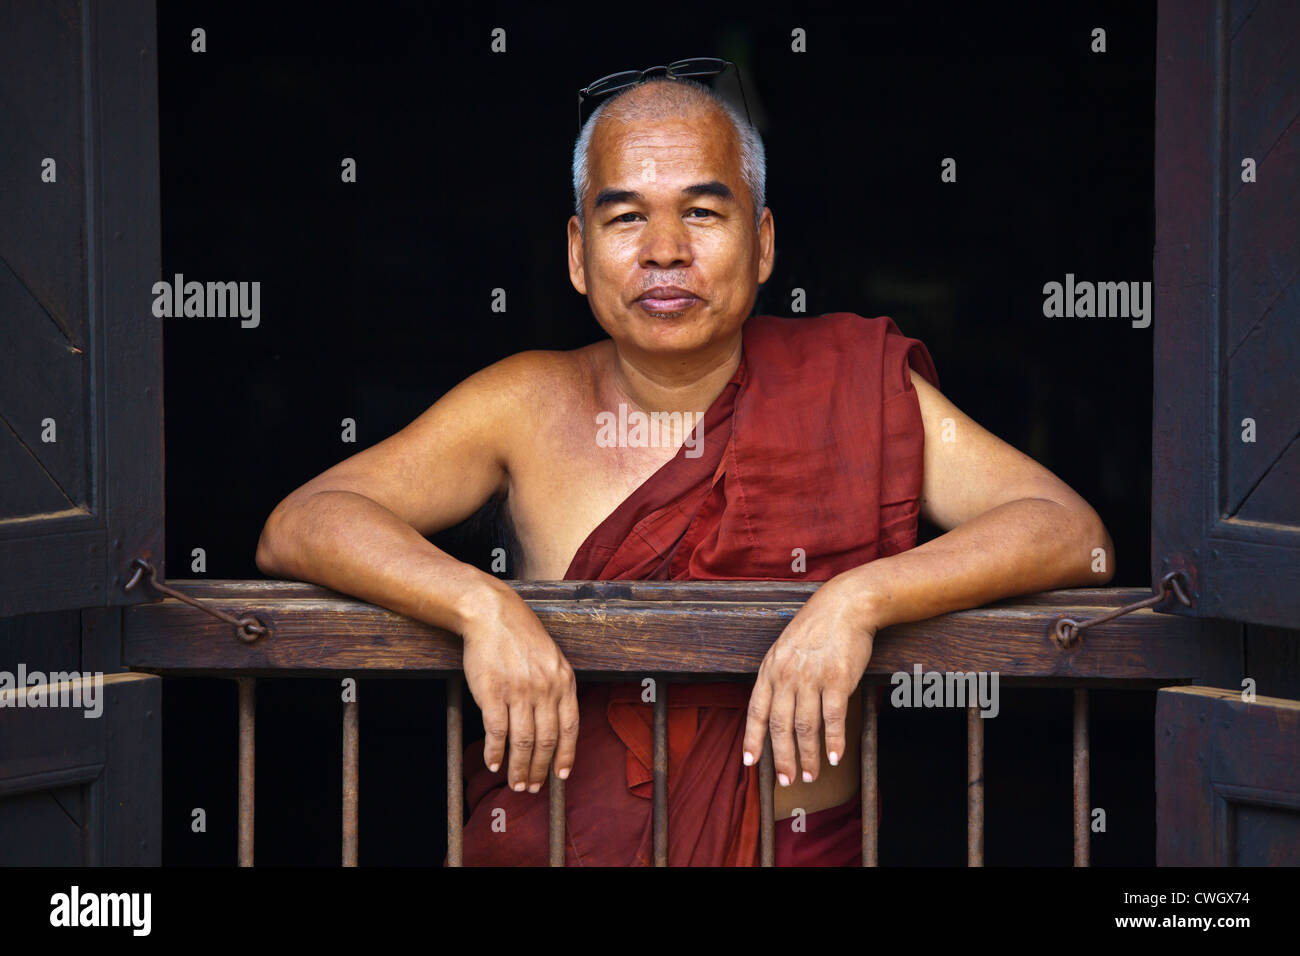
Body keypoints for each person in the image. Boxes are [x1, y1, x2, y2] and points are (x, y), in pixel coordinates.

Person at [254, 72, 1114, 865]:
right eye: (625, 217)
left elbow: (1070, 534)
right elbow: (305, 522)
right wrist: (478, 606)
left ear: (764, 242)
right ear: (577, 251)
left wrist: (861, 599)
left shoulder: (852, 382)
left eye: (703, 212)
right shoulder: (522, 403)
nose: (664, 250)